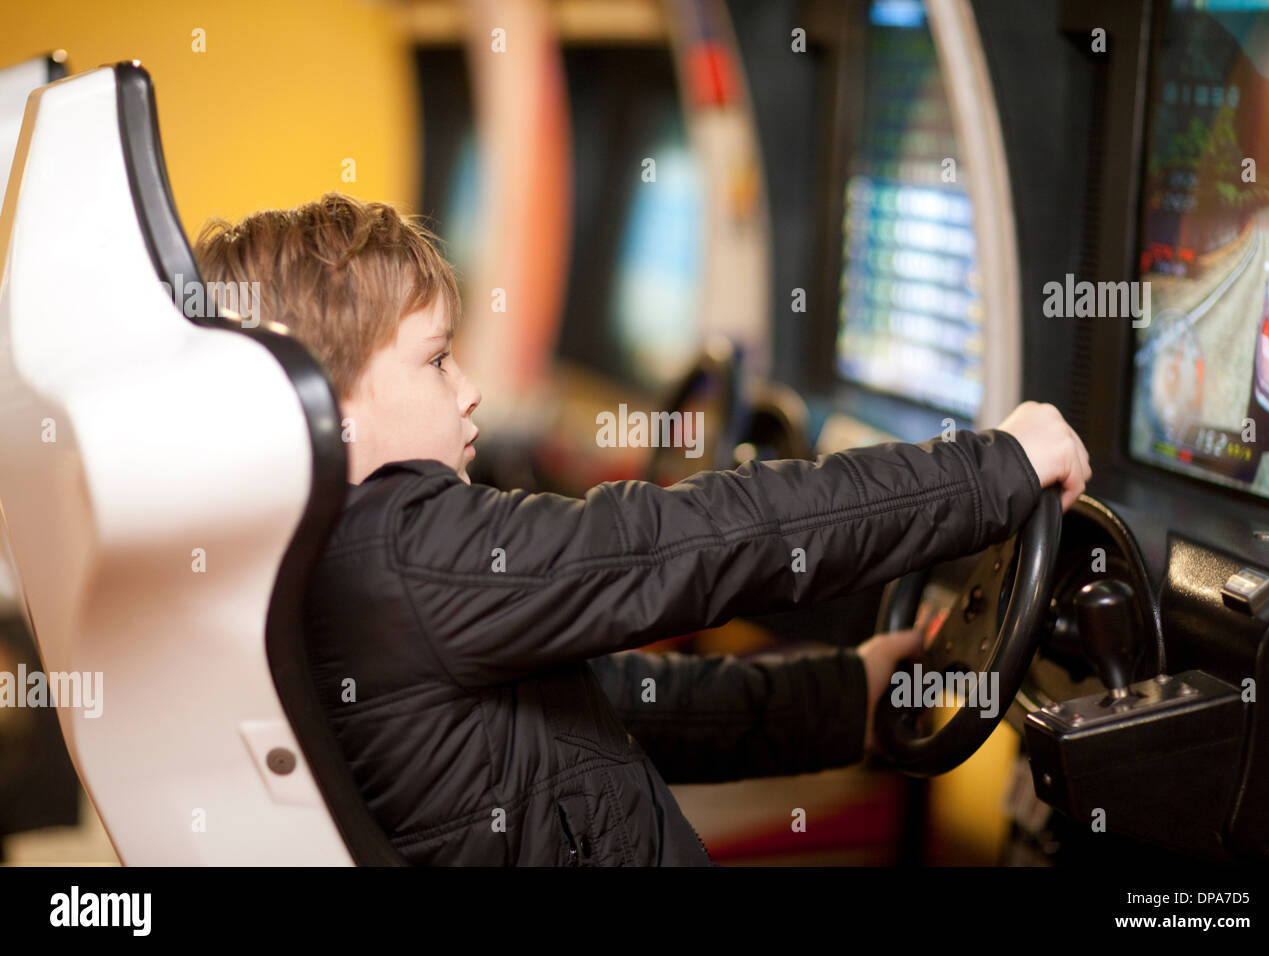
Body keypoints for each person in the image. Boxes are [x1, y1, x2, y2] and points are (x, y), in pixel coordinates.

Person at [195, 192, 1091, 866]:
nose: (469, 389)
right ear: (322, 409)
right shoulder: (400, 554)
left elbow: (601, 709)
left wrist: (841, 700)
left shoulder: (322, 557)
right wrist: (992, 467)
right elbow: (694, 542)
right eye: (435, 360)